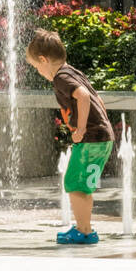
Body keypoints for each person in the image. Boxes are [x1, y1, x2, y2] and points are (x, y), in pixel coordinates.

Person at [25, 28, 114, 245]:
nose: (39, 72)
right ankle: (84, 228)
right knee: (82, 185)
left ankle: (84, 231)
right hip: (102, 137)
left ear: (44, 60)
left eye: (37, 67)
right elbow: (96, 98)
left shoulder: (61, 78)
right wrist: (100, 123)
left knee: (74, 183)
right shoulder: (73, 72)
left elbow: (83, 96)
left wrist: (82, 128)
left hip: (91, 138)